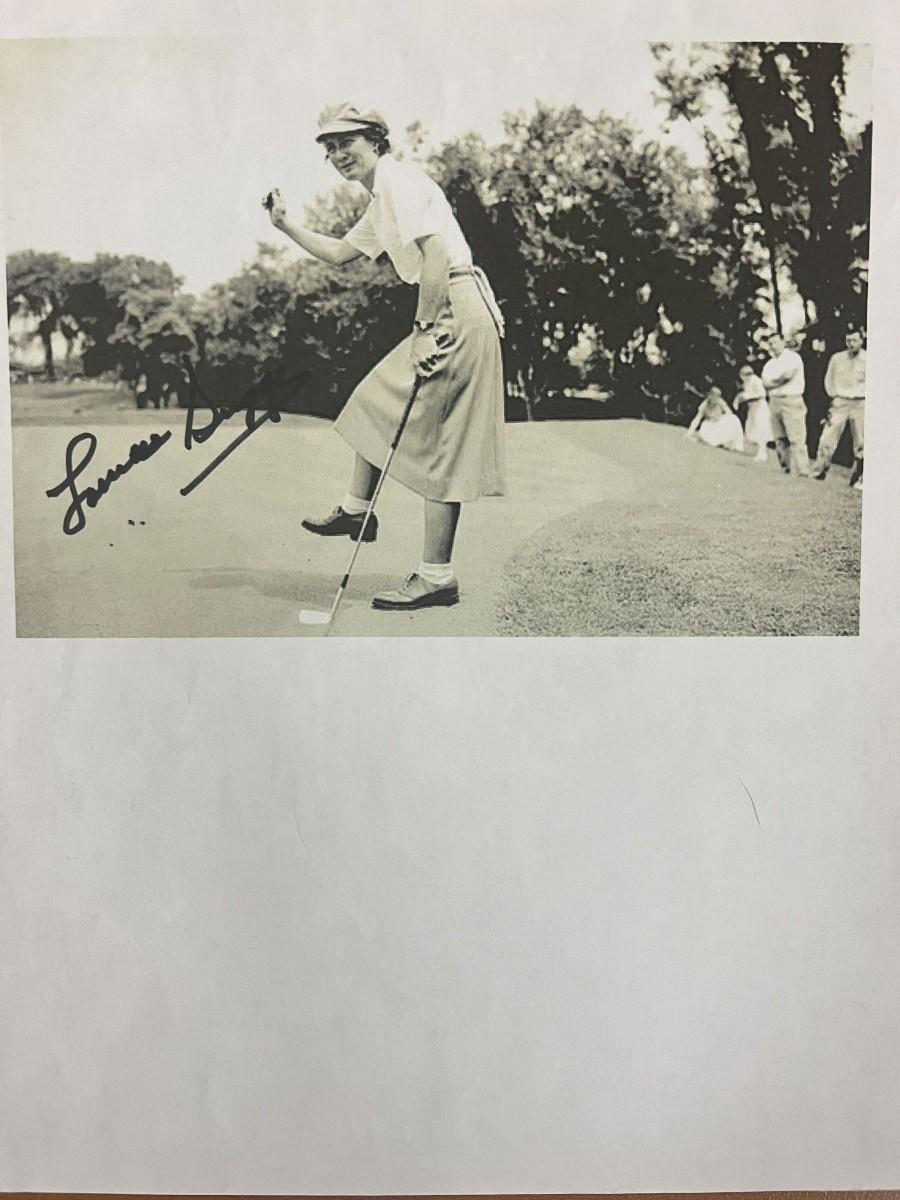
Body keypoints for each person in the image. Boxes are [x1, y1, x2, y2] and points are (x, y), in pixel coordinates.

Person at [266, 103, 505, 612]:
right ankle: (357, 511)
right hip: (451, 305)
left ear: (375, 140)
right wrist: (286, 226)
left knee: (443, 443)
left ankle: (435, 575)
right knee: (375, 401)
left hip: (455, 306)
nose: (336, 154)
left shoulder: (398, 182)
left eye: (345, 142)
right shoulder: (381, 201)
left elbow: (437, 256)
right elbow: (337, 253)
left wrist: (424, 331)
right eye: (328, 148)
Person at [812, 328, 866, 490]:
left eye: (854, 340)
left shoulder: (869, 359)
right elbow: (829, 380)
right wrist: (832, 398)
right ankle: (818, 472)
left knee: (862, 442)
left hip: (861, 402)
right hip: (840, 402)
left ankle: (859, 477)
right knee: (827, 438)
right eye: (848, 340)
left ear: (861, 341)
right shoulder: (837, 358)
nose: (851, 344)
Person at [760, 332, 810, 476]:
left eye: (775, 342)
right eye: (770, 344)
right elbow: (765, 383)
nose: (773, 346)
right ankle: (786, 469)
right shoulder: (770, 364)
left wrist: (775, 382)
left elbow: (788, 376)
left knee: (796, 437)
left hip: (791, 400)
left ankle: (802, 470)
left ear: (783, 342)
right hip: (775, 401)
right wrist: (778, 381)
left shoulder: (793, 358)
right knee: (779, 438)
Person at [685, 386, 745, 451]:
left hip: (719, 423)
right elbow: (697, 419)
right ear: (709, 395)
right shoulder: (704, 404)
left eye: (717, 396)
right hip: (708, 425)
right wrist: (689, 433)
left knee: (734, 418)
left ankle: (732, 443)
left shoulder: (721, 402)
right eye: (713, 394)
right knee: (709, 438)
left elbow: (730, 415)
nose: (714, 397)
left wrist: (719, 419)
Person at [733, 363, 772, 462]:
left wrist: (744, 397)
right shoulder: (747, 382)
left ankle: (762, 454)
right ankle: (757, 452)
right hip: (753, 407)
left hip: (760, 406)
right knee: (752, 428)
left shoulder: (756, 381)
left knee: (761, 429)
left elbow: (761, 394)